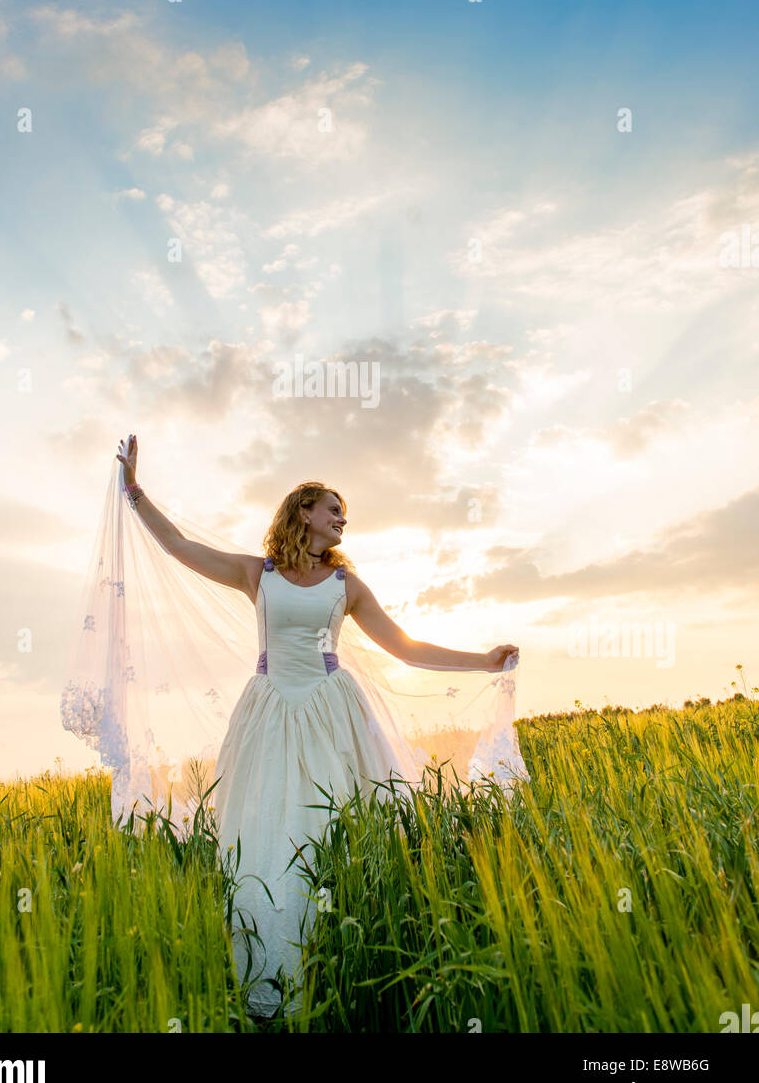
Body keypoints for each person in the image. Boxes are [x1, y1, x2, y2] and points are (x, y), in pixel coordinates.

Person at [113, 435, 519, 1019]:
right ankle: (267, 984)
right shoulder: (258, 574)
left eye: (344, 515)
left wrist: (484, 660)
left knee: (335, 835)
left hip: (333, 715)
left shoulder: (345, 585)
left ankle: (344, 966)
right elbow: (179, 545)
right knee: (263, 840)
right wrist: (134, 491)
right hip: (269, 715)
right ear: (303, 510)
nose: (342, 520)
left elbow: (404, 647)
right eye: (333, 510)